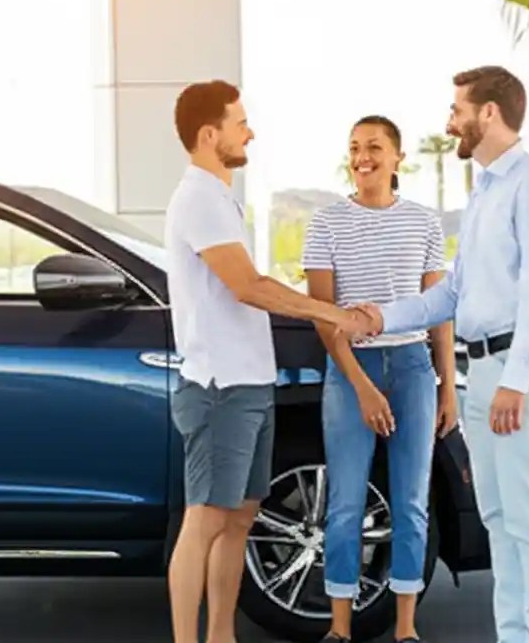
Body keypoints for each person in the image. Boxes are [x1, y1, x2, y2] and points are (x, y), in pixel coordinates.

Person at [352, 66, 529, 643]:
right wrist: (381, 317)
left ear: (490, 114)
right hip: (484, 374)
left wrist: (517, 382)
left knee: (528, 523)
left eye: (458, 111)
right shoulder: (486, 192)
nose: (450, 122)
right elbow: (453, 294)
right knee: (500, 522)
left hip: (516, 375)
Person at [163, 80, 380, 643]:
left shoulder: (220, 197)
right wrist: (331, 314)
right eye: (240, 123)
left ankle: (220, 636)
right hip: (220, 387)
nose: (249, 132)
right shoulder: (199, 199)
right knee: (206, 519)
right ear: (211, 135)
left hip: (250, 383)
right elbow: (247, 286)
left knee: (239, 518)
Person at [302, 115, 459, 643]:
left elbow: (438, 309)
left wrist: (446, 385)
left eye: (373, 146)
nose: (362, 156)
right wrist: (361, 386)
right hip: (352, 370)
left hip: (413, 368)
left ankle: (406, 630)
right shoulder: (326, 222)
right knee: (345, 501)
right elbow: (325, 315)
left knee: (413, 499)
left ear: (398, 158)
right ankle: (340, 630)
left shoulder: (424, 222)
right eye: (354, 147)